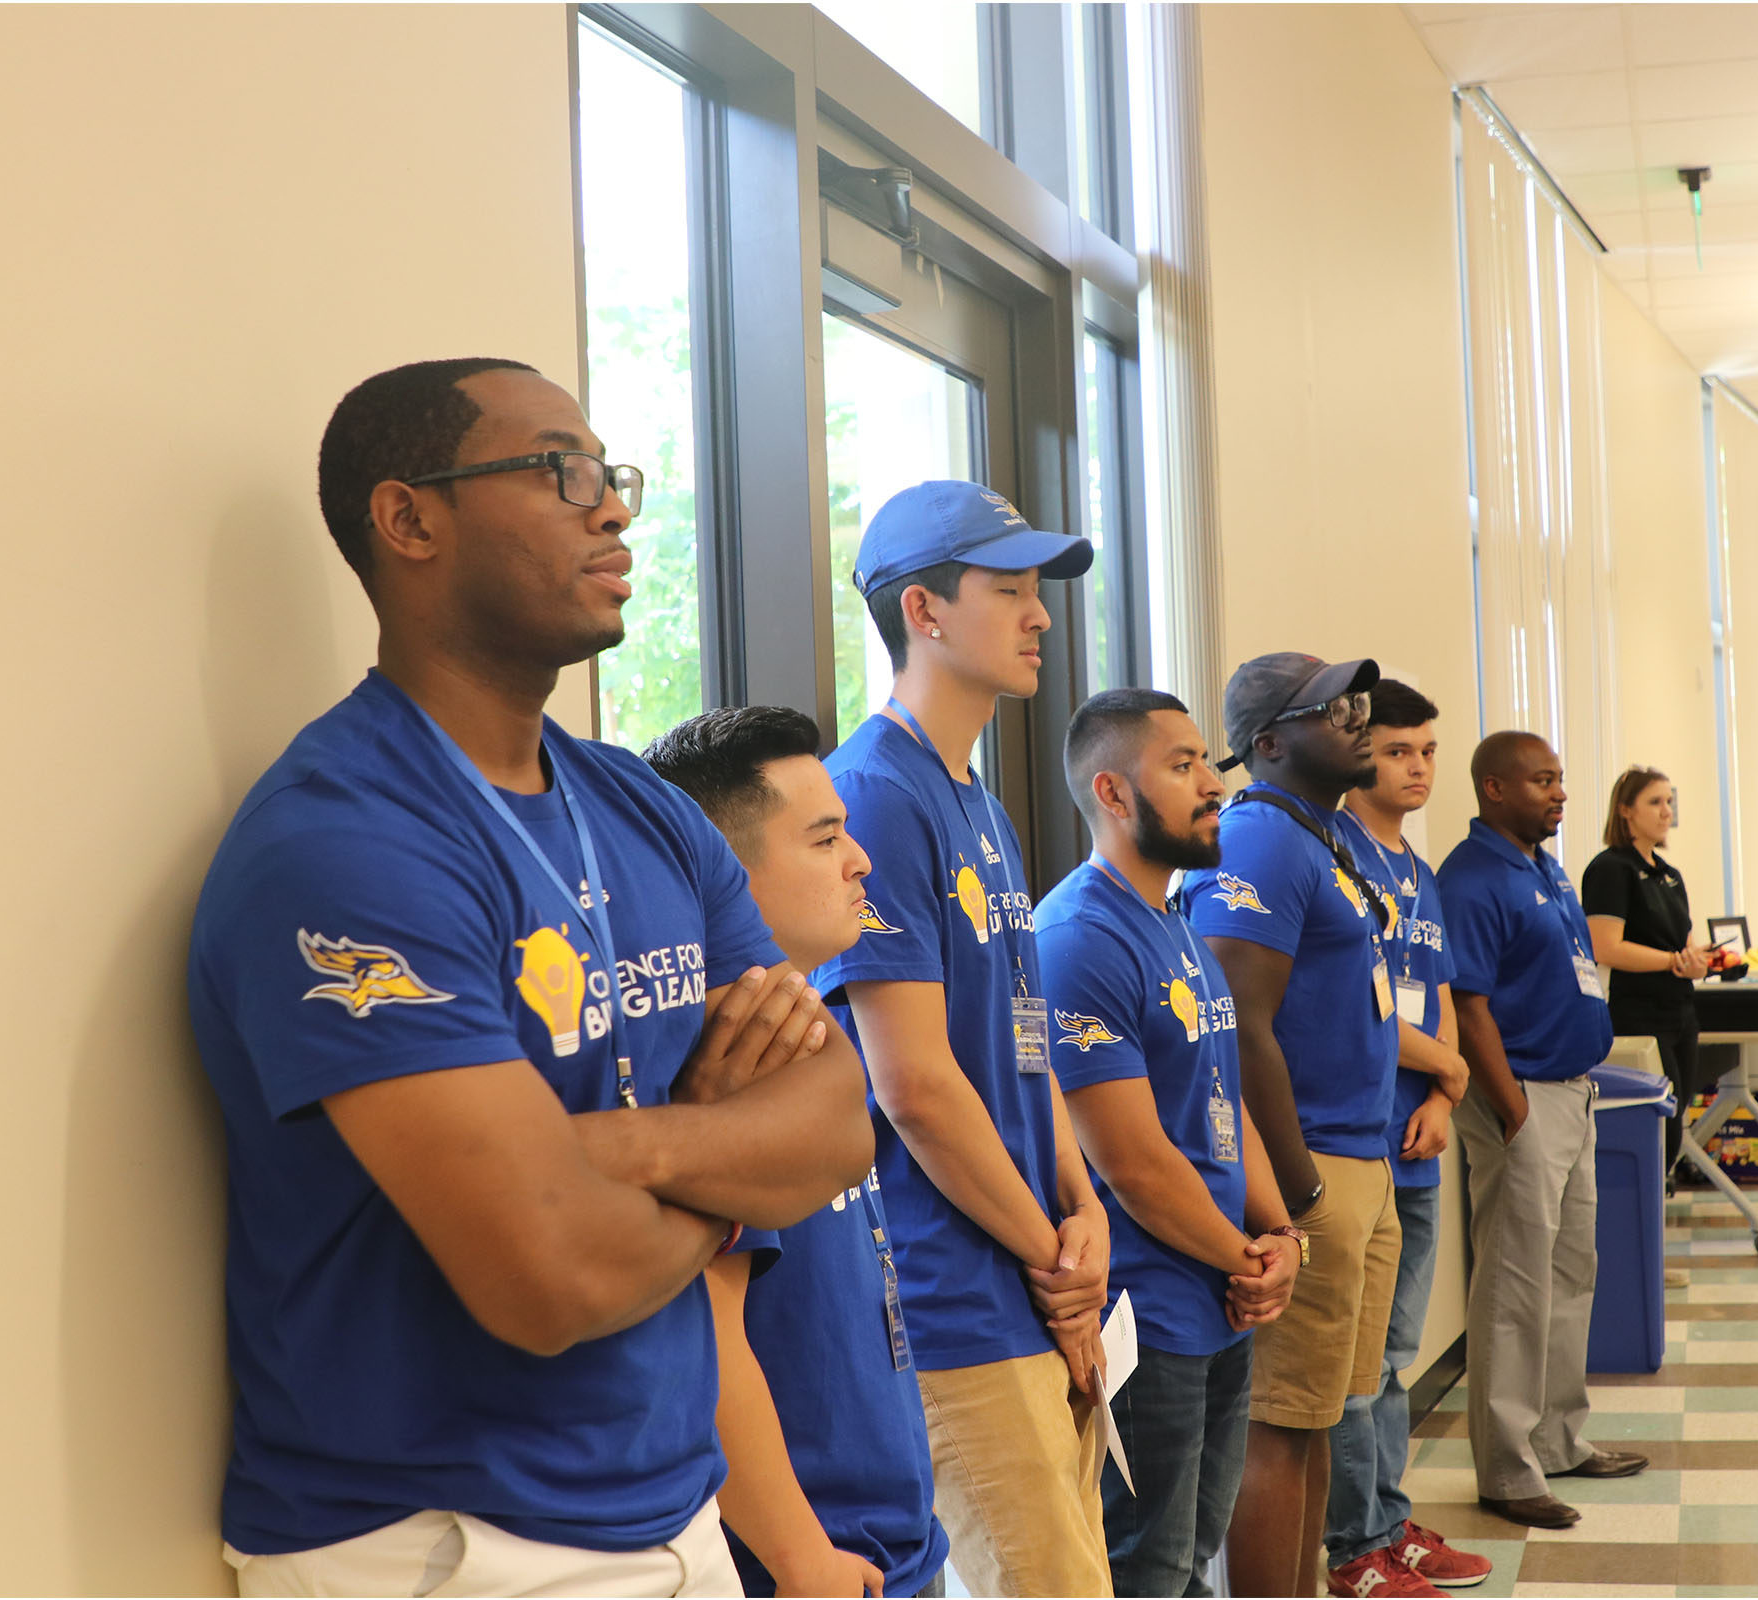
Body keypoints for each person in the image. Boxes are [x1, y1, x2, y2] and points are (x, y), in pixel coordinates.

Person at [189, 358, 873, 1596]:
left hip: (674, 1509)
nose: (612, 509)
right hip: (441, 1545)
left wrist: (619, 1151)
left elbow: (835, 1124)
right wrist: (727, 1166)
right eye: (562, 473)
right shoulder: (343, 842)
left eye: (610, 476)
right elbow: (549, 1278)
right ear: (410, 519)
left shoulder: (641, 807)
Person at [812, 481, 1115, 1598]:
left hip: (1032, 1272)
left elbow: (1022, 1044)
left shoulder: (979, 803)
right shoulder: (872, 796)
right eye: (1010, 590)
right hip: (953, 1295)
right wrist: (1053, 1254)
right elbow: (915, 1087)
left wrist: (1081, 1211)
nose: (1039, 616)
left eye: (1040, 591)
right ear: (925, 613)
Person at [645, 705, 950, 1598]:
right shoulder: (732, 1050)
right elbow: (708, 1328)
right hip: (810, 1558)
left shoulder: (806, 1028)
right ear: (720, 870)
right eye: (823, 841)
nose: (860, 861)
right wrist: (797, 1554)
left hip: (892, 1540)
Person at [1035, 689, 1303, 1597]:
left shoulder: (1177, 924)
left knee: (1192, 1557)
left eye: (1207, 763)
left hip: (1221, 1298)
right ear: (1113, 794)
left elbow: (1223, 1111)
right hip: (1146, 1315)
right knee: (1142, 1567)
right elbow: (1137, 1166)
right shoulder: (1079, 937)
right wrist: (1245, 1258)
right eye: (1181, 766)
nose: (1212, 785)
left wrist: (1281, 1240)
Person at [1183, 652, 1403, 1599]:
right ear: (1268, 743)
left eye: (1359, 702)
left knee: (1319, 1416)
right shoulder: (1264, 839)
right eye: (1334, 708)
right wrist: (1298, 1190)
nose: (1360, 719)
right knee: (1279, 1421)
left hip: (1360, 1155)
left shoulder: (1320, 835)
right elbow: (1235, 1020)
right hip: (1307, 1165)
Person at [1438, 731, 1647, 1534]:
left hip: (1573, 1091)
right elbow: (1468, 1004)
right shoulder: (1472, 879)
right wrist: (1511, 1109)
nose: (1559, 794)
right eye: (1541, 781)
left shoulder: (1543, 865)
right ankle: (1507, 1468)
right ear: (1494, 787)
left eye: (1560, 778)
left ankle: (1559, 1438)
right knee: (1515, 1286)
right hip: (1522, 1097)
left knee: (1570, 1272)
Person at [1324, 681, 1491, 1598]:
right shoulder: (1336, 854)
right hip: (1358, 1142)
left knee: (1392, 1358)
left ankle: (1388, 1523)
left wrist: (1445, 1084)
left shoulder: (1417, 870)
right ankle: (1358, 1545)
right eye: (1397, 751)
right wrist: (1451, 1074)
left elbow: (1443, 995)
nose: (1418, 767)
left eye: (1427, 750)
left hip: (1419, 1138)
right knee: (1355, 1365)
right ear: (1358, 755)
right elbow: (1360, 1008)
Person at [1581, 767, 1707, 1179]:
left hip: (1680, 1012)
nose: (1666, 811)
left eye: (1669, 801)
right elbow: (1606, 946)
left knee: (1678, 1115)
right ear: (1625, 811)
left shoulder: (1669, 875)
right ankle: (1642, 1226)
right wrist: (1672, 962)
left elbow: (1683, 943)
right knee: (1658, 1126)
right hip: (1635, 1015)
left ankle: (1656, 1217)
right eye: (1654, 802)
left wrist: (1696, 961)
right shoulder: (1611, 869)